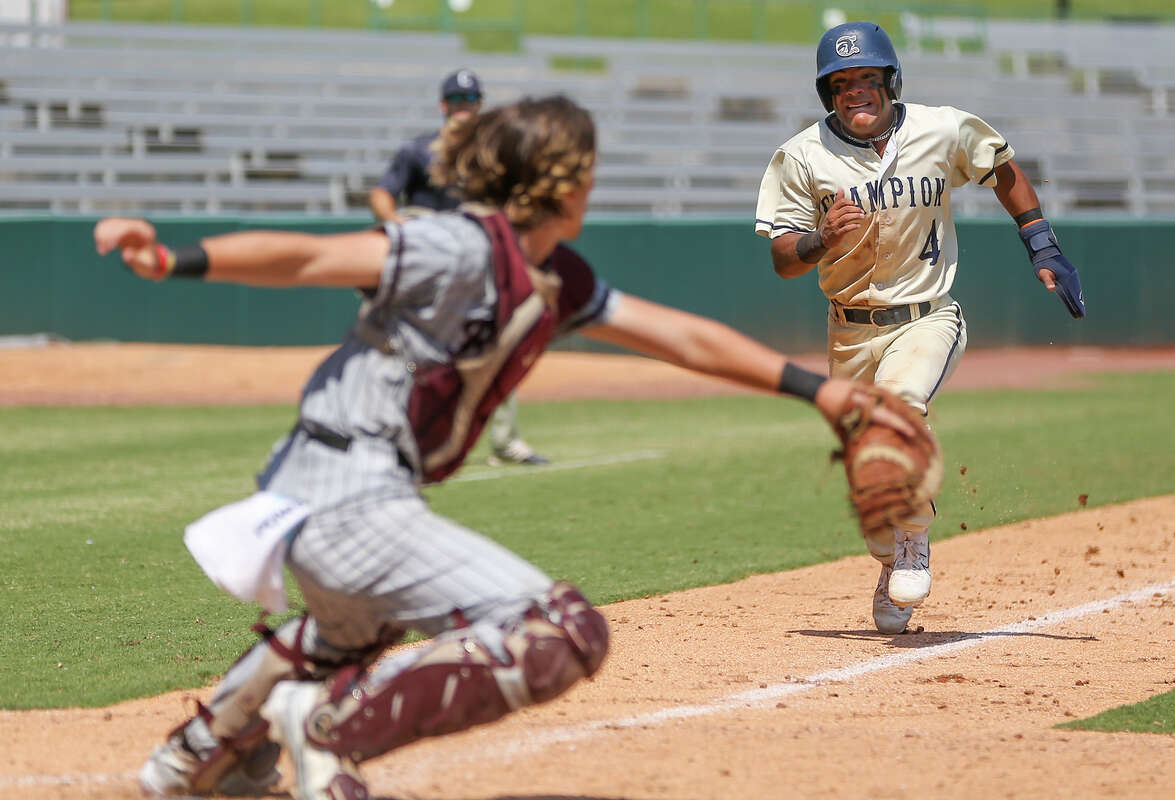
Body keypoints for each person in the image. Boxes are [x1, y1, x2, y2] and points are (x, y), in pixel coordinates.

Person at [96, 94, 924, 800]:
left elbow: (677, 336)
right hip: (349, 490)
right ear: (562, 183)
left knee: (346, 634)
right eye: (587, 170)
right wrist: (173, 258)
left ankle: (196, 755)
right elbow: (312, 256)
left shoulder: (556, 273)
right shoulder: (456, 244)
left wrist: (818, 390)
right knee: (563, 632)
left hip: (332, 488)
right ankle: (326, 730)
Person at [754, 21, 1085, 635]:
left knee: (899, 407)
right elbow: (781, 259)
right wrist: (820, 240)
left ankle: (914, 538)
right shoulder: (802, 156)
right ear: (828, 94)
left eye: (867, 78)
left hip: (927, 315)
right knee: (868, 473)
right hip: (850, 332)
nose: (856, 90)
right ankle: (890, 553)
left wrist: (1041, 242)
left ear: (891, 81)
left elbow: (1001, 169)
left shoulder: (941, 129)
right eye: (841, 83)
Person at [369, 68, 548, 466]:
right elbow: (382, 193)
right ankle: (390, 433)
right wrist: (395, 220)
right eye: (456, 100)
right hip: (427, 267)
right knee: (405, 352)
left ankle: (506, 442)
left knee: (497, 343)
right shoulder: (419, 151)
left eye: (470, 101)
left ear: (480, 105)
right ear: (443, 105)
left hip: (475, 265)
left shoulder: (490, 158)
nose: (463, 108)